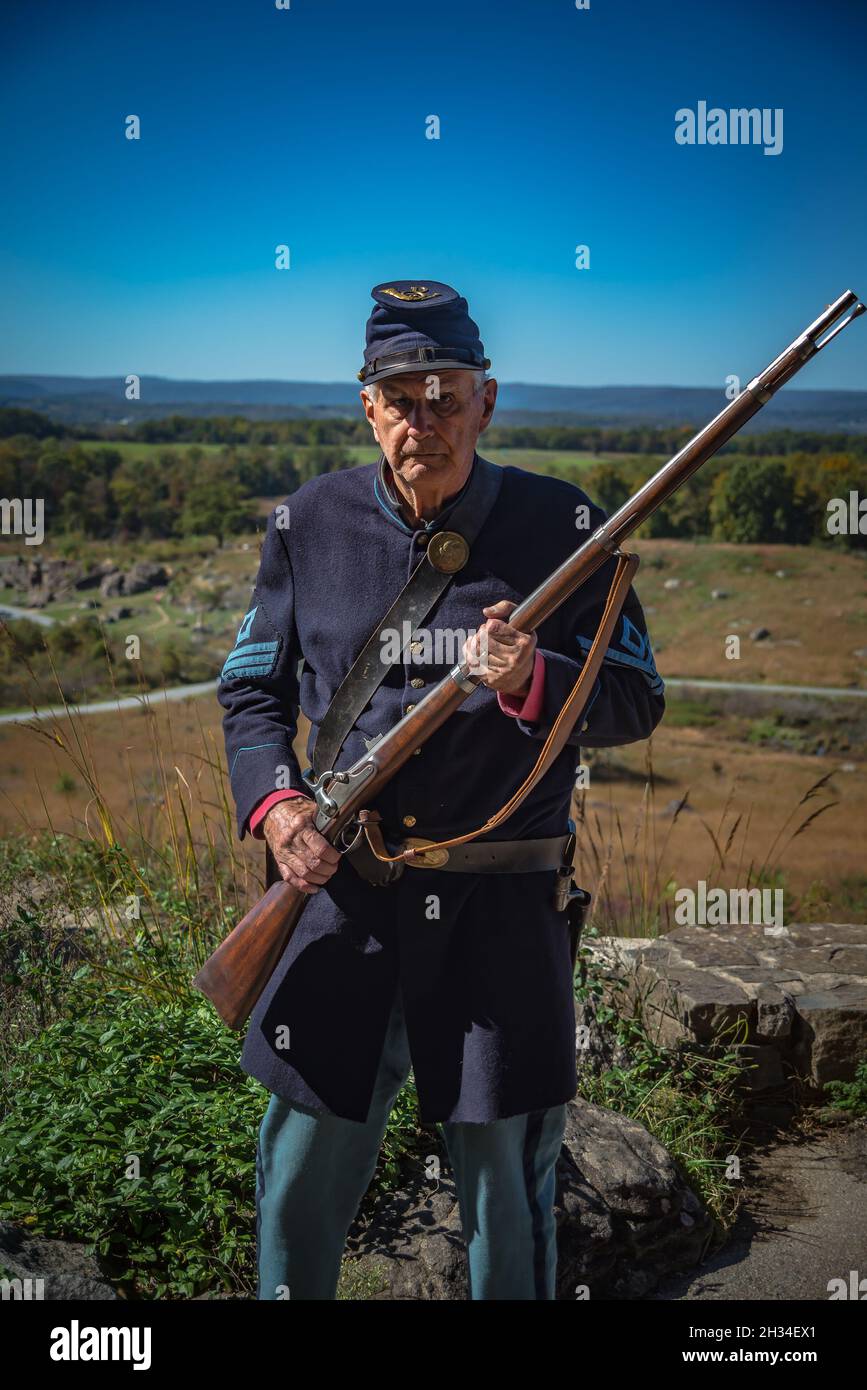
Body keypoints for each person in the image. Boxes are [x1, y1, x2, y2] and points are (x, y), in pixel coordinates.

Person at [217, 279, 665, 1300]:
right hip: (344, 908)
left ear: (487, 401)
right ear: (367, 406)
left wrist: (533, 680)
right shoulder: (308, 522)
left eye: (446, 395)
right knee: (295, 1181)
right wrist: (279, 806)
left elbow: (638, 698)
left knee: (509, 1197)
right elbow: (252, 688)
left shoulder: (570, 524)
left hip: (501, 913)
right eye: (402, 398)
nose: (426, 419)